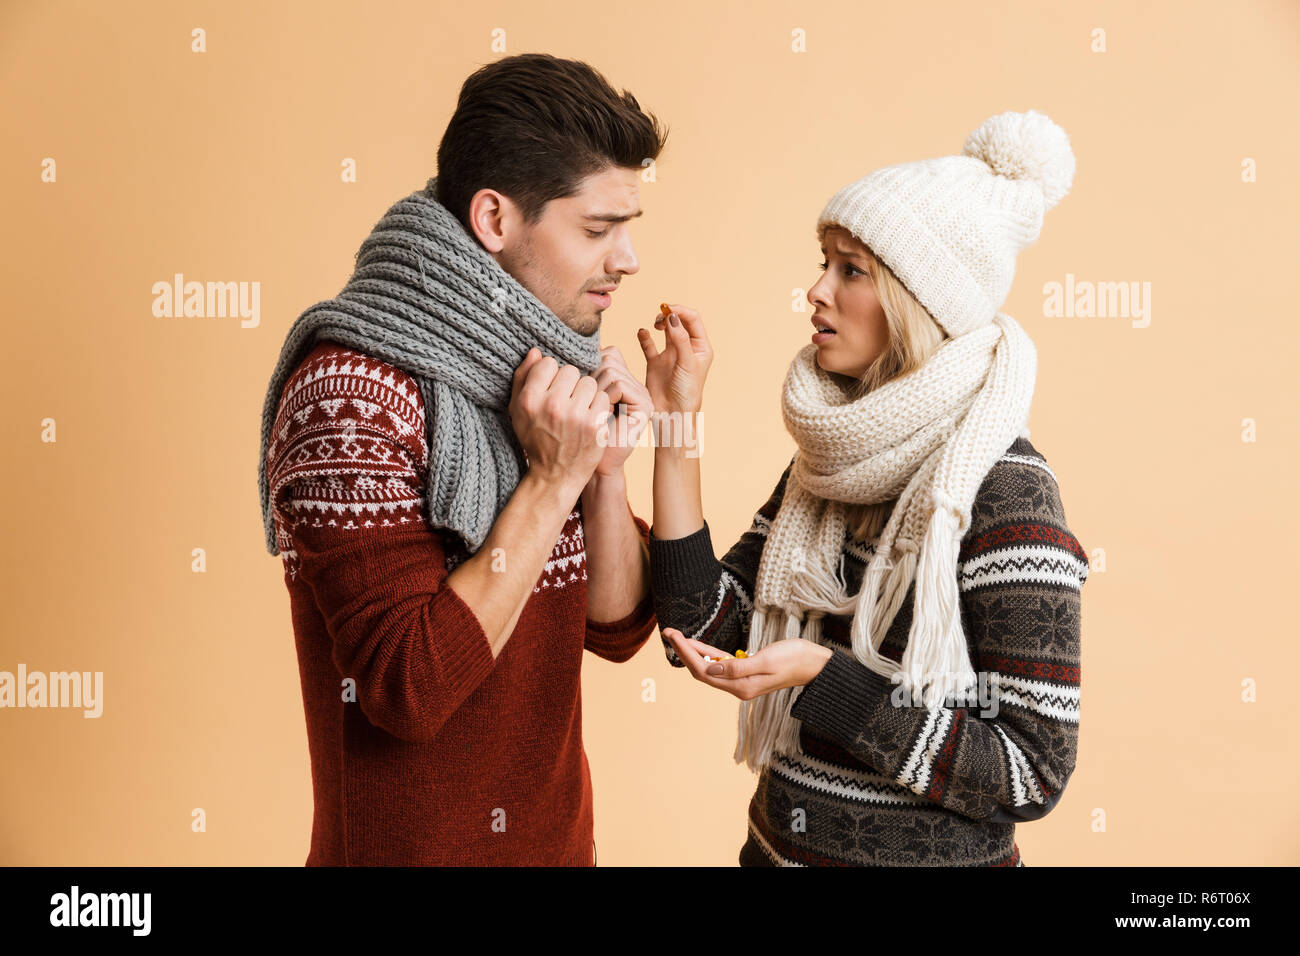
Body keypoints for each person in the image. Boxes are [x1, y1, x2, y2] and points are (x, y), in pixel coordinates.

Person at [641, 110, 1089, 866]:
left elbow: (1029, 773)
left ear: (923, 301)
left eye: (851, 269)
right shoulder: (833, 462)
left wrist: (828, 679)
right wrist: (676, 421)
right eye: (823, 261)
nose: (815, 290)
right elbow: (707, 625)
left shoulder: (1006, 493)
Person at [256, 54, 668, 865]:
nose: (627, 260)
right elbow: (407, 687)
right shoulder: (349, 394)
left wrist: (605, 471)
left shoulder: (549, 384)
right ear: (494, 219)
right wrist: (552, 482)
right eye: (596, 229)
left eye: (630, 228)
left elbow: (618, 630)